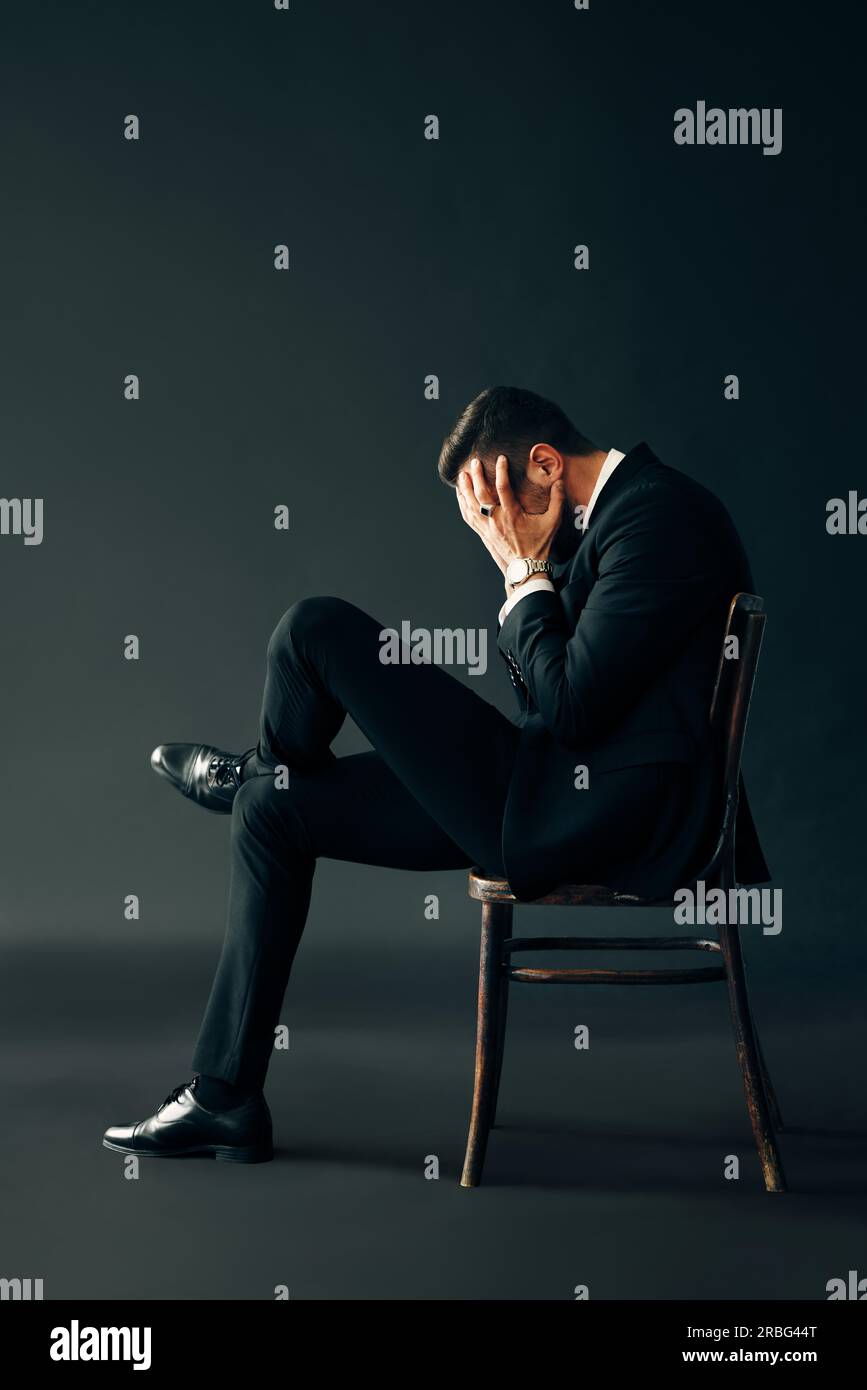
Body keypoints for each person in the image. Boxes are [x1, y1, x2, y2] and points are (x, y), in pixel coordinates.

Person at [102, 385, 768, 1164]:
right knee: (270, 811)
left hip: (595, 818)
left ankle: (253, 764)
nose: (492, 530)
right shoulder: (614, 523)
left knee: (315, 629)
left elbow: (571, 711)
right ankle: (223, 1099)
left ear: (544, 465)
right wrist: (531, 572)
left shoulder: (658, 518)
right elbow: (549, 705)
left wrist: (522, 572)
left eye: (490, 509)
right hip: (547, 786)